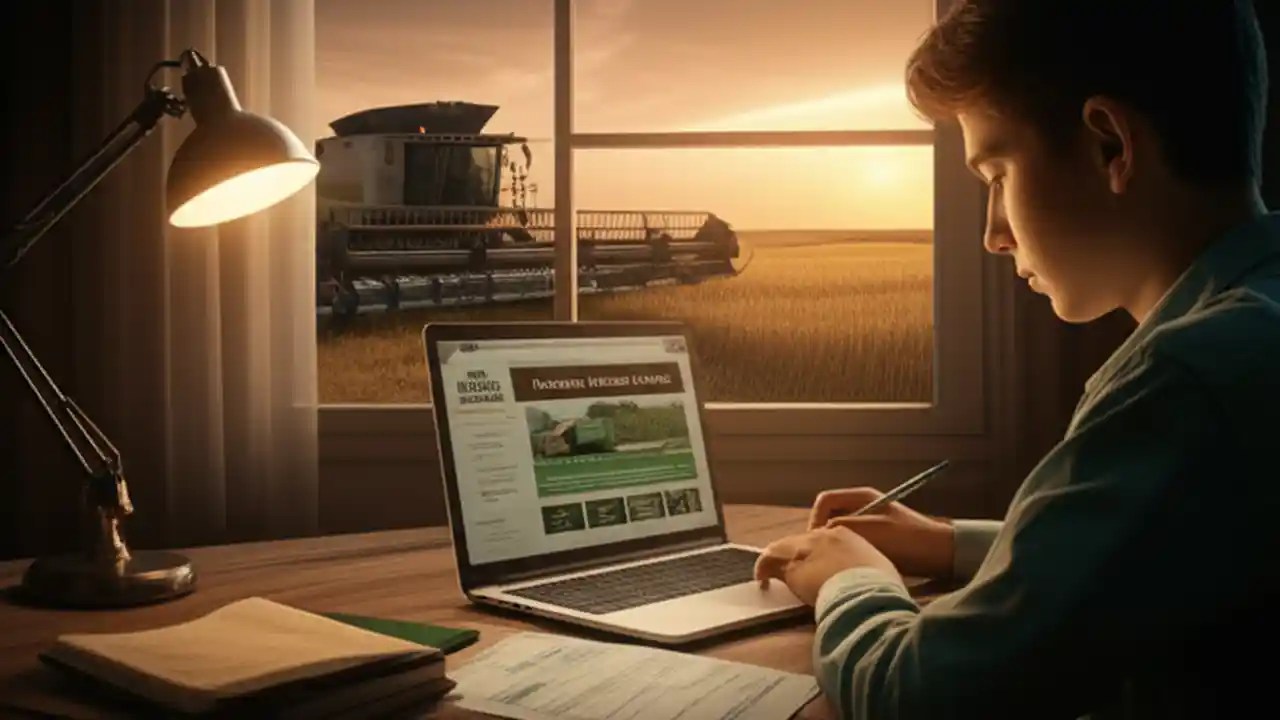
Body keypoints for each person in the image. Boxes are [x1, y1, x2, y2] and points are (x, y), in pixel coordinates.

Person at [752, 1, 1278, 718]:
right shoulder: (1253, 320)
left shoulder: (1186, 379)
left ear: (1109, 147)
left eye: (996, 175)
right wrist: (947, 545)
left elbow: (925, 698)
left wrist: (854, 581)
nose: (993, 235)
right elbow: (1165, 546)